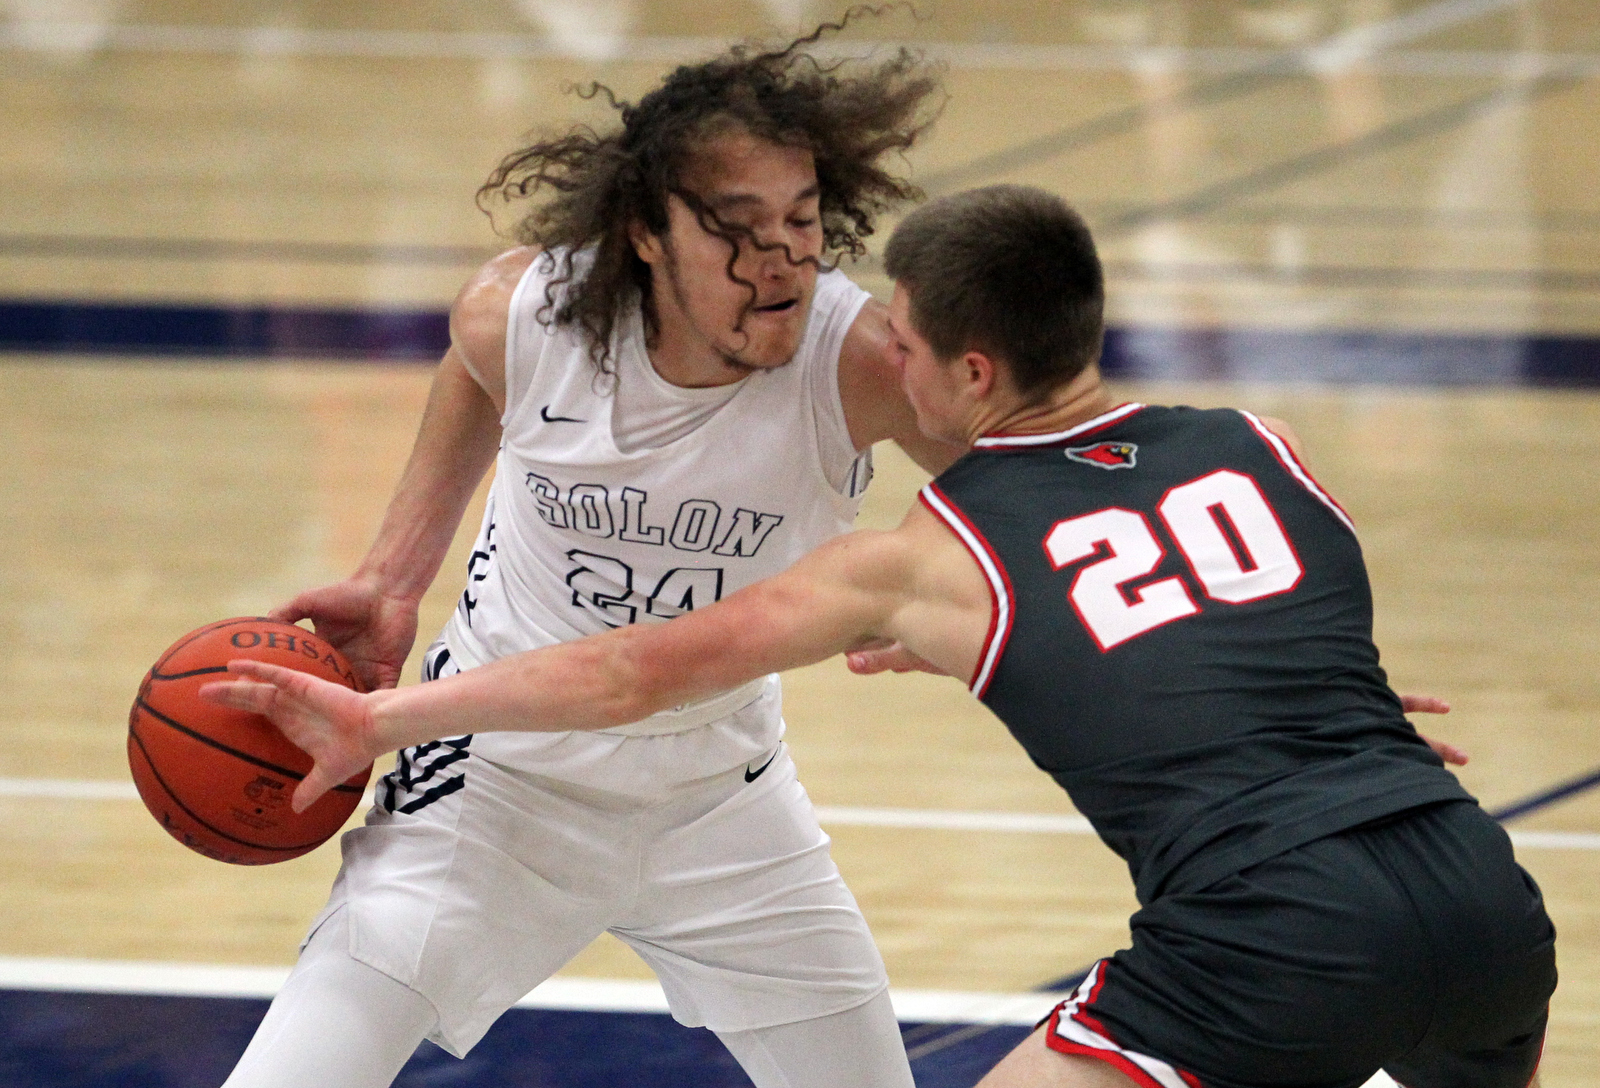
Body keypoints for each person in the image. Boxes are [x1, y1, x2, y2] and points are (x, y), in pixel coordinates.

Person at [209, 184, 1556, 1088]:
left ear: (972, 374)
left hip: (1272, 933)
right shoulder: (1259, 446)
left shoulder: (925, 558)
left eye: (897, 339)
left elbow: (629, 672)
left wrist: (379, 719)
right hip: (1479, 893)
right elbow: (1249, 628)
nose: (869, 355)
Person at [211, 18, 955, 1088]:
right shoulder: (522, 314)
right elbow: (472, 369)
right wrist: (392, 574)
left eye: (801, 221)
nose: (779, 261)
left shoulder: (859, 362)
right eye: (734, 230)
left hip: (724, 798)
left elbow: (1011, 491)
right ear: (644, 233)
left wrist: (959, 604)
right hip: (492, 785)